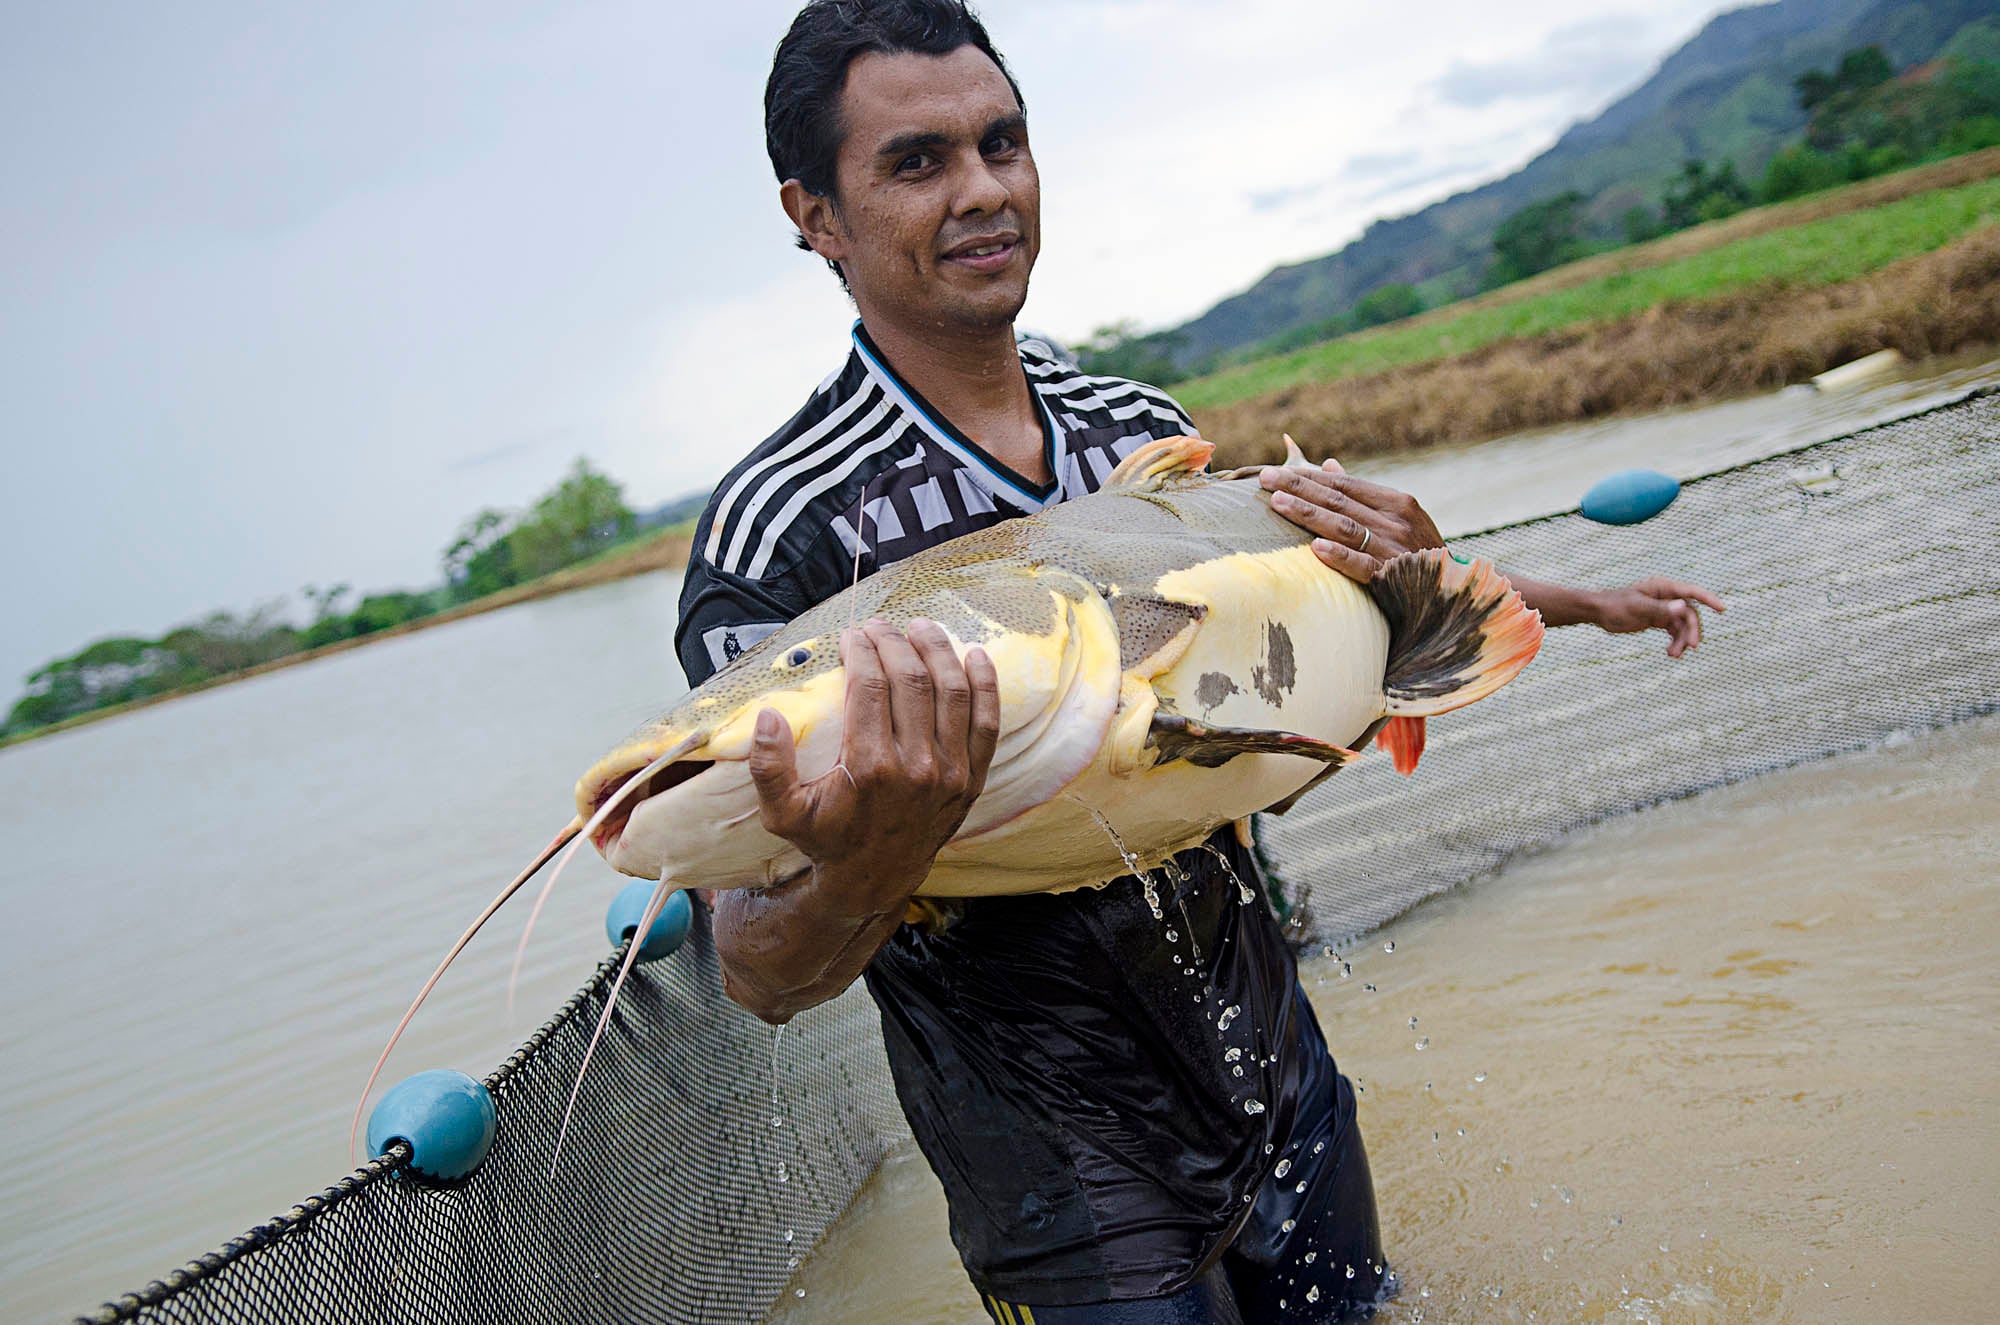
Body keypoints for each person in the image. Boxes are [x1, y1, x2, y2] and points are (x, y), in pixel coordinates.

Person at [676, 4, 1722, 1320]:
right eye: (918, 161)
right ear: (816, 214)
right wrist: (874, 852)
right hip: (1061, 1183)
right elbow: (764, 968)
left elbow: (1264, 769)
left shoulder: (1138, 435)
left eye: (1005, 143)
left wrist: (1410, 592)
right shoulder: (785, 531)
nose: (986, 189)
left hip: (1282, 1087)